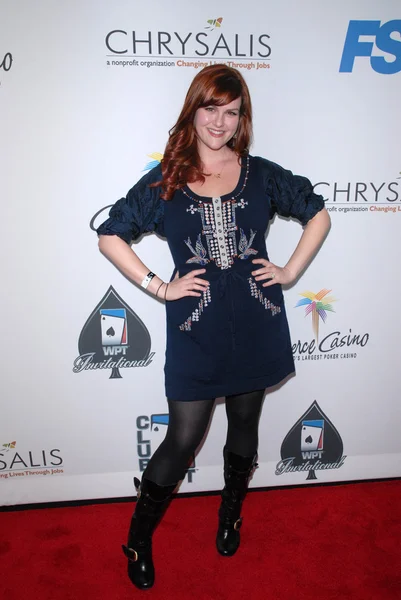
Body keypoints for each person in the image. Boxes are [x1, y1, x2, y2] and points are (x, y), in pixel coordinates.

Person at [96, 64, 330, 590]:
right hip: (195, 331)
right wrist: (159, 286)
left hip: (258, 321)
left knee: (244, 426)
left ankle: (230, 515)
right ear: (193, 110)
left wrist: (290, 272)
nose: (221, 122)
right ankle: (138, 539)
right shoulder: (166, 178)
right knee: (182, 439)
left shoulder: (261, 173)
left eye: (232, 112)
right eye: (211, 108)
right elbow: (111, 236)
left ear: (243, 118)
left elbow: (317, 213)